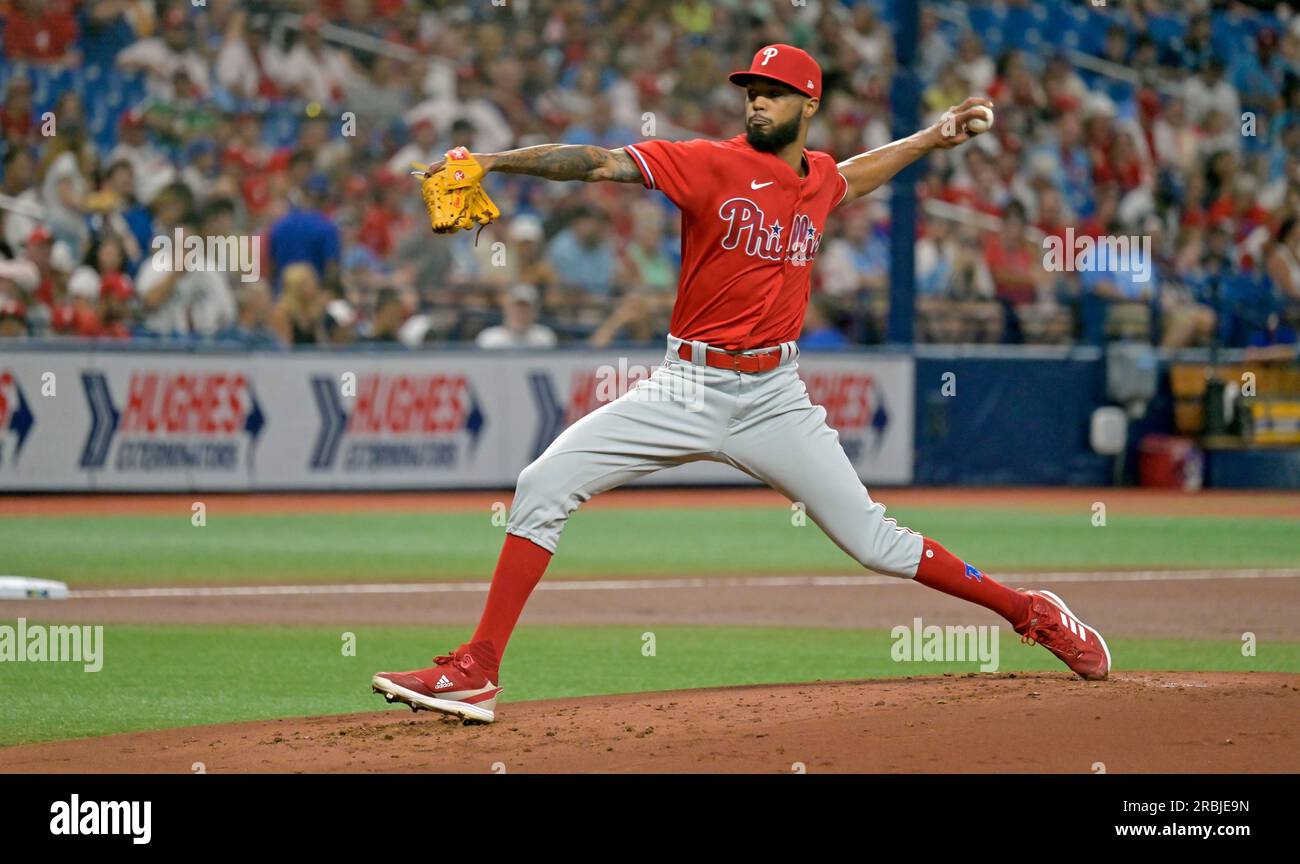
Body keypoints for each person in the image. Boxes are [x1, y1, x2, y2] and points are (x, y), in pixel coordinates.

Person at [372, 44, 1110, 724]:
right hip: (686, 387)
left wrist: (929, 138)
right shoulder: (708, 163)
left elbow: (849, 178)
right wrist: (496, 163)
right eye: (751, 91)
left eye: (774, 93)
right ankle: (479, 667)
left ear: (808, 105)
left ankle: (1031, 611)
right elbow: (598, 162)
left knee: (876, 543)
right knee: (542, 481)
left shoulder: (815, 176)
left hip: (774, 398)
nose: (757, 103)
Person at [475, 284, 557, 348]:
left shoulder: (545, 338)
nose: (521, 313)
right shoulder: (488, 338)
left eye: (526, 309)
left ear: (535, 312)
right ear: (506, 308)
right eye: (516, 308)